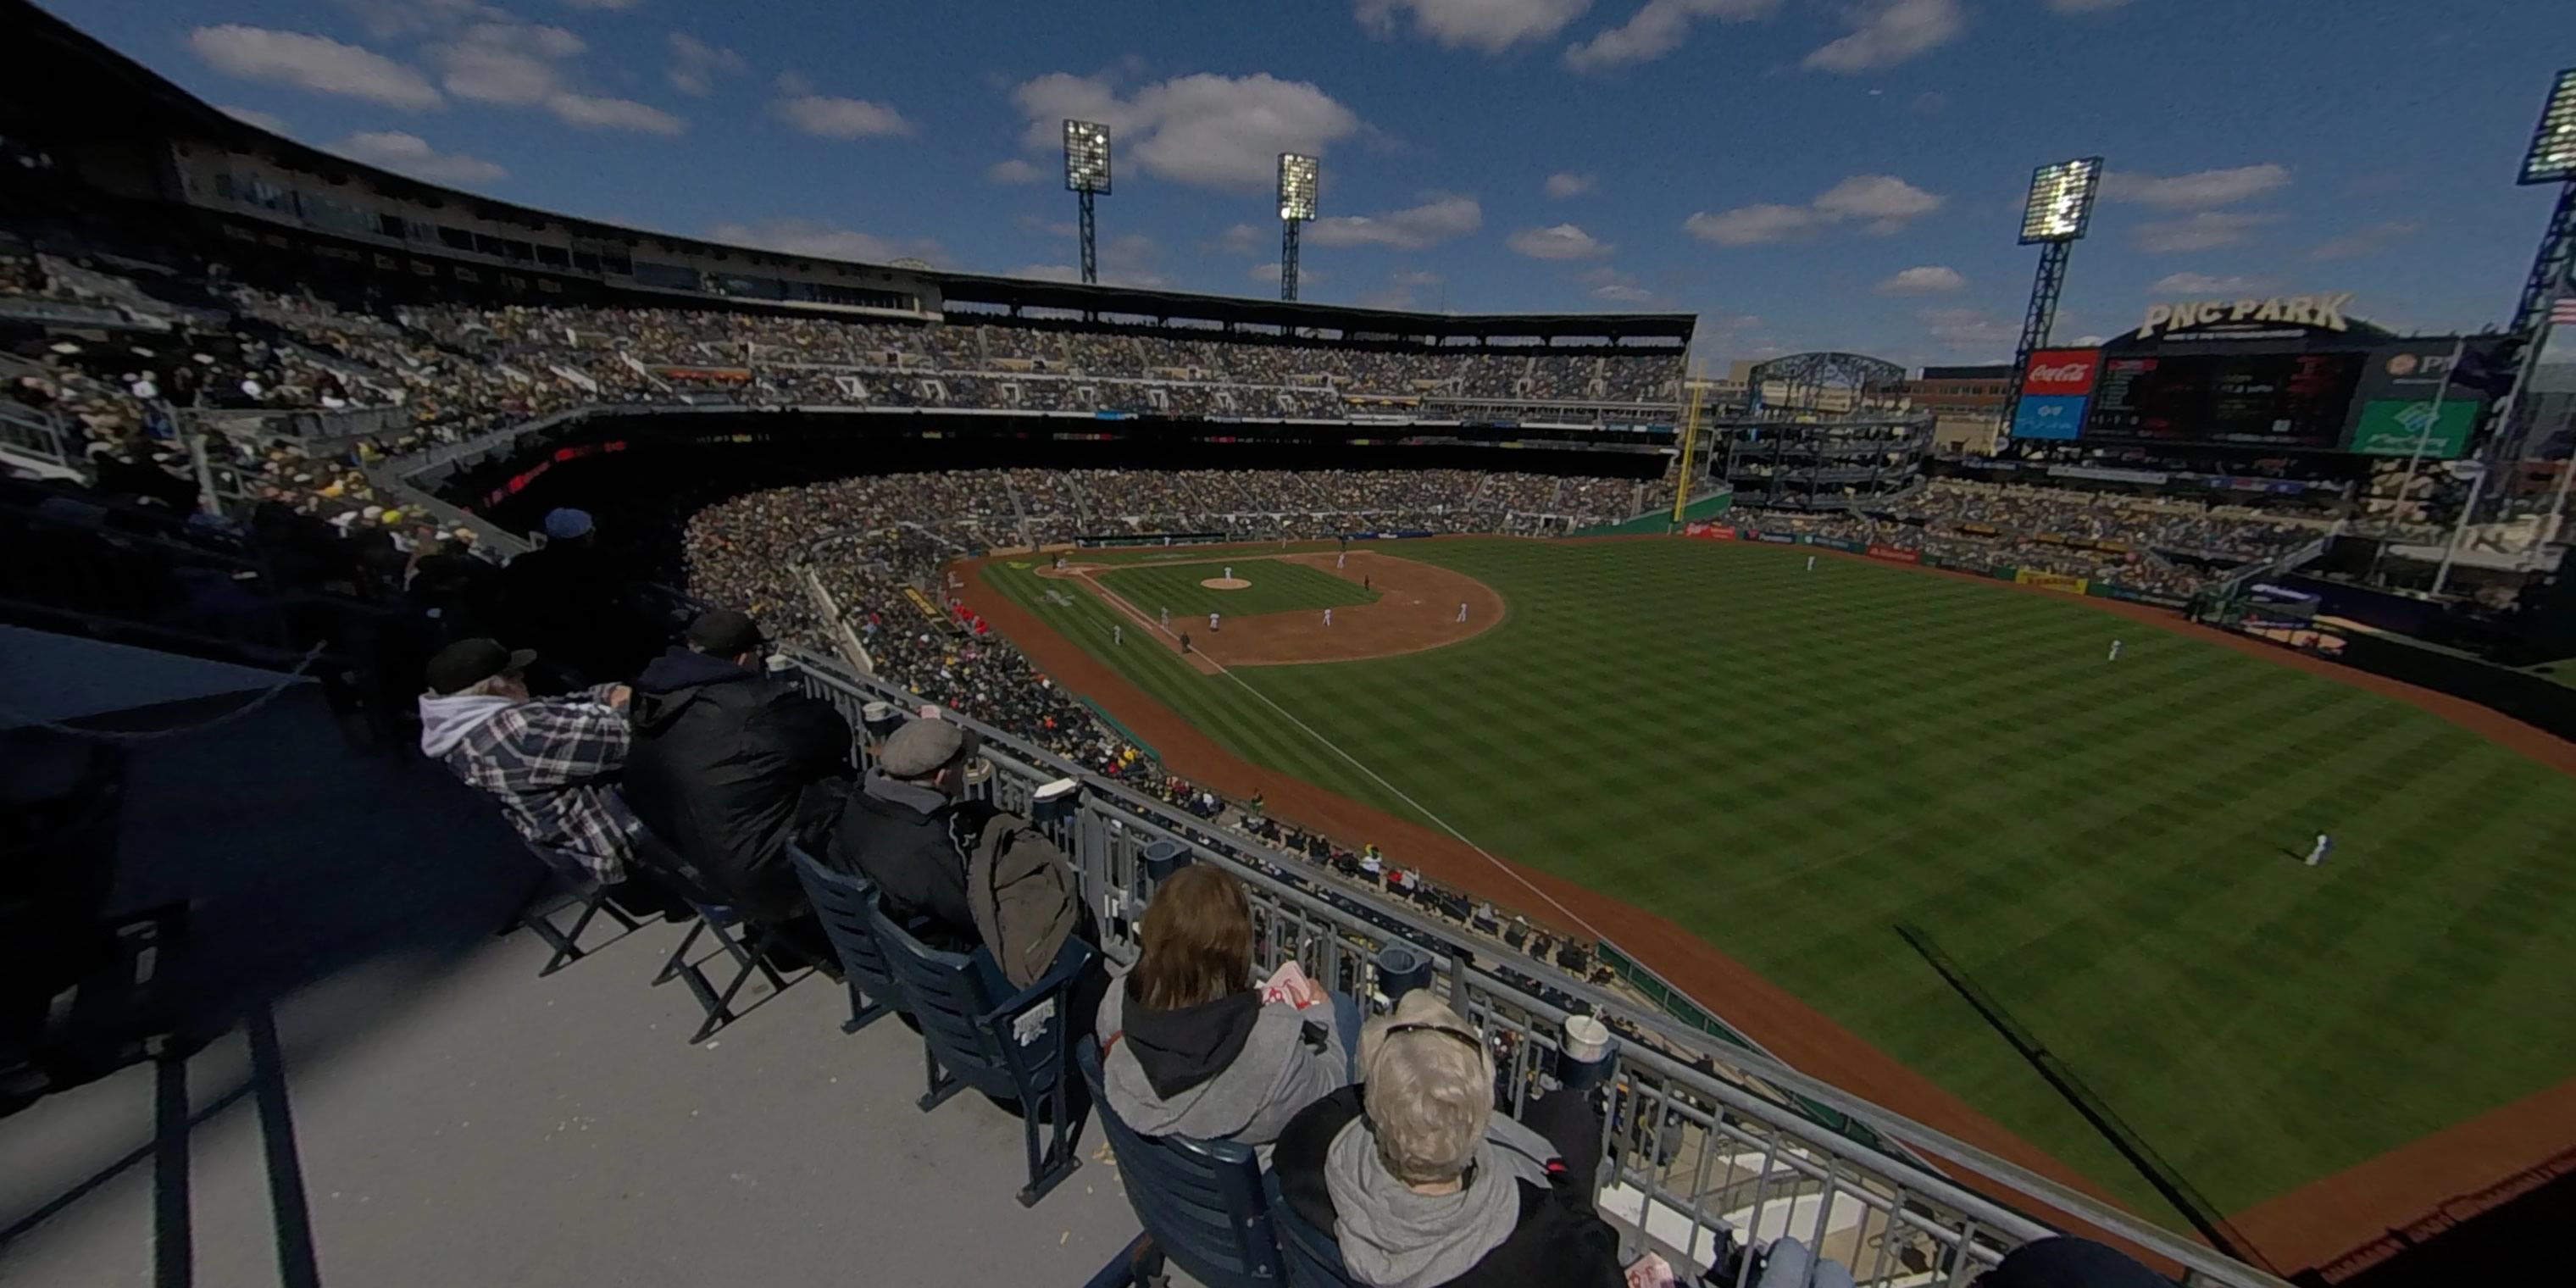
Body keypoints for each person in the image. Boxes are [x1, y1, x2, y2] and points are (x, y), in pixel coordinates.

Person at [1272, 991, 1629, 1288]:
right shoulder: (1543, 1233)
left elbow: (1341, 1105)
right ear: (1482, 1123)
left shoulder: (1309, 1151)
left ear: (1374, 1111)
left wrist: (1397, 1085)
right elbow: (1602, 1262)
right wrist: (1566, 1192)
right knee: (1569, 1114)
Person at [1094, 865, 1354, 1155]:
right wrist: (1319, 1013)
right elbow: (1327, 1095)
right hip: (1236, 1188)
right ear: (1237, 949)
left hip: (1158, 1182)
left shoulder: (1117, 998)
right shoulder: (1271, 1046)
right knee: (1342, 1008)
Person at [621, 609, 853, 924]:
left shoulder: (651, 695)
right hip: (758, 879)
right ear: (744, 658)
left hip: (686, 861)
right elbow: (834, 736)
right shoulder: (756, 707)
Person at [823, 717, 1087, 990]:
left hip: (879, 947)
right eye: (962, 765)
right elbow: (973, 915)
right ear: (942, 775)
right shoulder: (928, 839)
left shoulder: (859, 800)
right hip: (937, 968)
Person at [417, 637, 641, 886]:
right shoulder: (513, 734)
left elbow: (564, 704)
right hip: (620, 841)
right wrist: (621, 699)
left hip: (584, 844)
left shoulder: (470, 729)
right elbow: (624, 739)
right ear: (492, 688)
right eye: (512, 674)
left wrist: (611, 697)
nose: (522, 677)